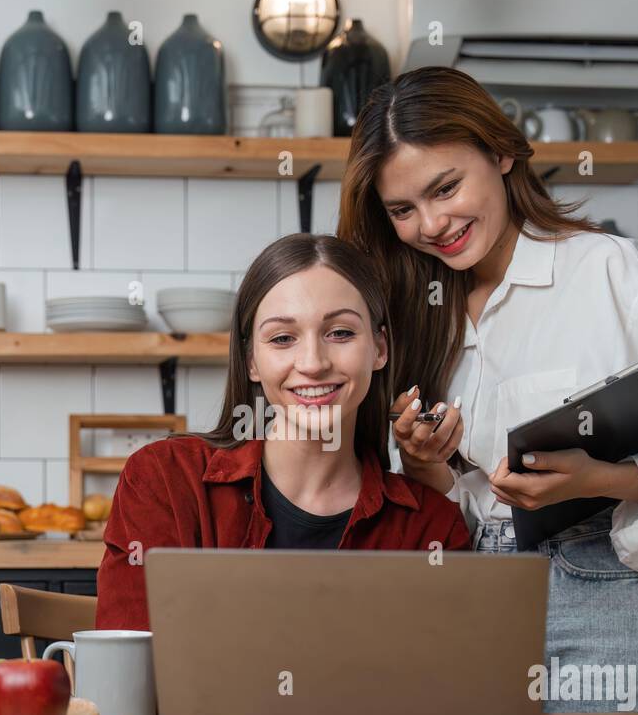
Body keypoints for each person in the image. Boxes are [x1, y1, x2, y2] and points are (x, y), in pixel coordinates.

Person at [337, 66, 638, 711]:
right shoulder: (414, 310)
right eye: (403, 209)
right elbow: (459, 511)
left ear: (503, 153)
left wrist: (595, 479)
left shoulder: (604, 268)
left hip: (606, 594)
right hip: (471, 601)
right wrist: (427, 466)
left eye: (446, 187)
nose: (431, 224)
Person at [95, 233, 472, 630]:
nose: (312, 363)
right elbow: (127, 669)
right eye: (282, 338)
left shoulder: (430, 527)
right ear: (252, 362)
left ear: (379, 348)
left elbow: (443, 684)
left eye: (340, 333)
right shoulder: (166, 480)